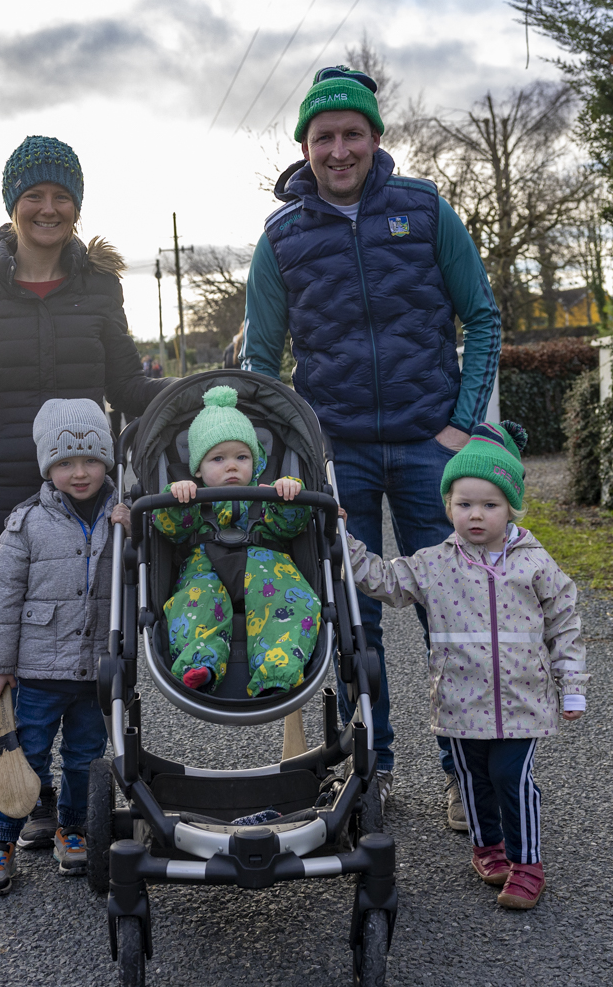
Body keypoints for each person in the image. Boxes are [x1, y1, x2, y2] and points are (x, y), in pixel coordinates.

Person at [240, 65, 503, 819]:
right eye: (324, 136)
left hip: (430, 449)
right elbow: (260, 364)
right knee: (356, 624)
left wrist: (460, 426)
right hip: (338, 458)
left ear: (376, 137)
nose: (339, 150)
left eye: (352, 133)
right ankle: (372, 768)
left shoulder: (424, 210)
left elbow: (482, 316)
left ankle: (464, 776)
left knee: (450, 615)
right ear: (305, 146)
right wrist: (297, 452)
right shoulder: (281, 239)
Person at [0, 135, 167, 591]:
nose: (49, 209)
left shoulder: (100, 285)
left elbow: (126, 385)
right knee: (12, 623)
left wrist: (195, 390)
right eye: (34, 195)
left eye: (61, 196)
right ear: (13, 203)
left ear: (76, 207)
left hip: (87, 487)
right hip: (8, 488)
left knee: (93, 620)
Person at [343, 420, 587, 909]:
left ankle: (527, 862)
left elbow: (565, 621)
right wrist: (342, 539)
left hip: (521, 701)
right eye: (463, 504)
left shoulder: (534, 563)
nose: (476, 515)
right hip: (459, 699)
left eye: (489, 505)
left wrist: (572, 684)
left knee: (510, 777)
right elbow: (384, 580)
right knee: (472, 777)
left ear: (511, 507)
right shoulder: (435, 562)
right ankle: (487, 846)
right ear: (448, 506)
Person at [0, 398, 119, 896]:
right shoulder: (27, 524)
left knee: (84, 757)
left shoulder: (123, 518)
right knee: (25, 756)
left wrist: (135, 526)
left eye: (91, 460)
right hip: (37, 670)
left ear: (107, 461)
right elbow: (2, 597)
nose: (79, 473)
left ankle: (71, 829)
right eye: (65, 462)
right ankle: (1, 840)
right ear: (47, 466)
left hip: (95, 669)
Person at [114, 385, 319, 696]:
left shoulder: (270, 491)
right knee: (193, 603)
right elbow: (172, 531)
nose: (232, 466)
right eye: (218, 459)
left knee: (292, 601)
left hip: (268, 568)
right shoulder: (191, 494)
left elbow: (290, 529)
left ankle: (277, 671)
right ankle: (200, 664)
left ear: (256, 460)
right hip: (204, 567)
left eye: (242, 456)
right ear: (198, 468)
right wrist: (177, 501)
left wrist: (290, 498)